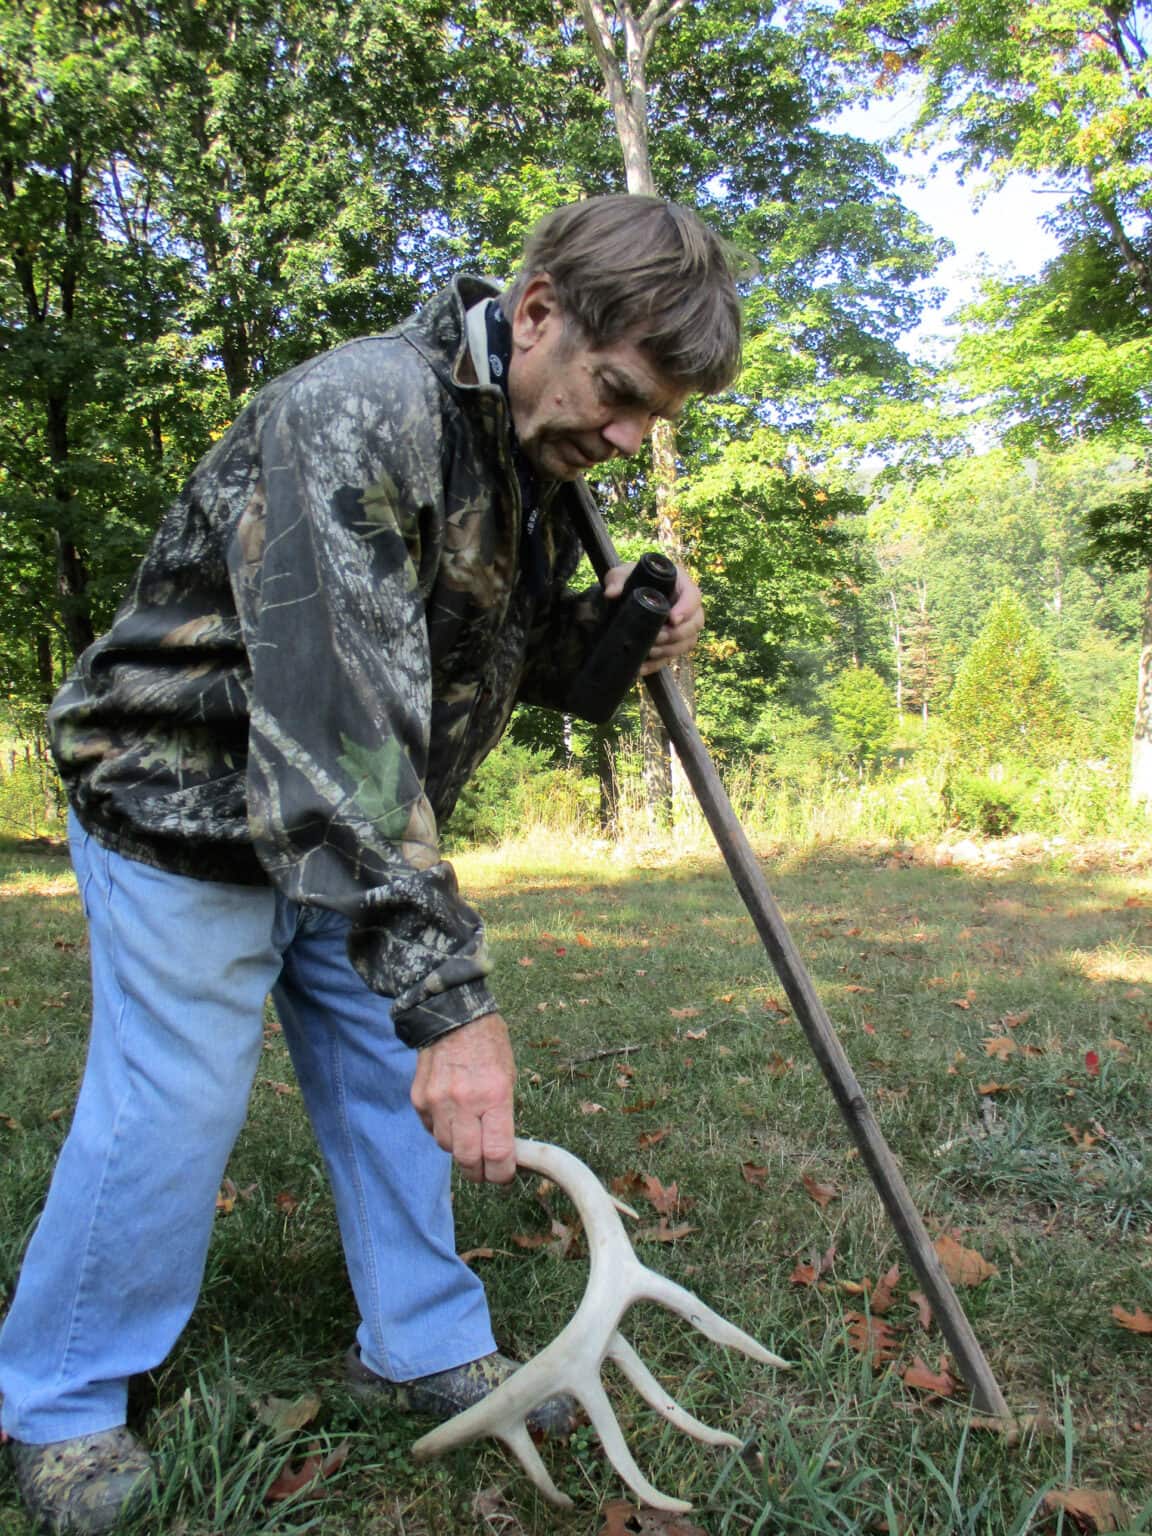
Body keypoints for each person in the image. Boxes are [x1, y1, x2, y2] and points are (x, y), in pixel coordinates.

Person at [0, 193, 742, 1535]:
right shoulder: (360, 413)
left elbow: (490, 668)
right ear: (534, 316)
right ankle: (58, 1399)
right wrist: (457, 1008)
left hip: (343, 824)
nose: (631, 438)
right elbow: (336, 724)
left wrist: (627, 625)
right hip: (186, 800)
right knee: (174, 1098)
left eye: (654, 419)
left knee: (393, 1074)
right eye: (621, 394)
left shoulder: (524, 455)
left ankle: (421, 1337)